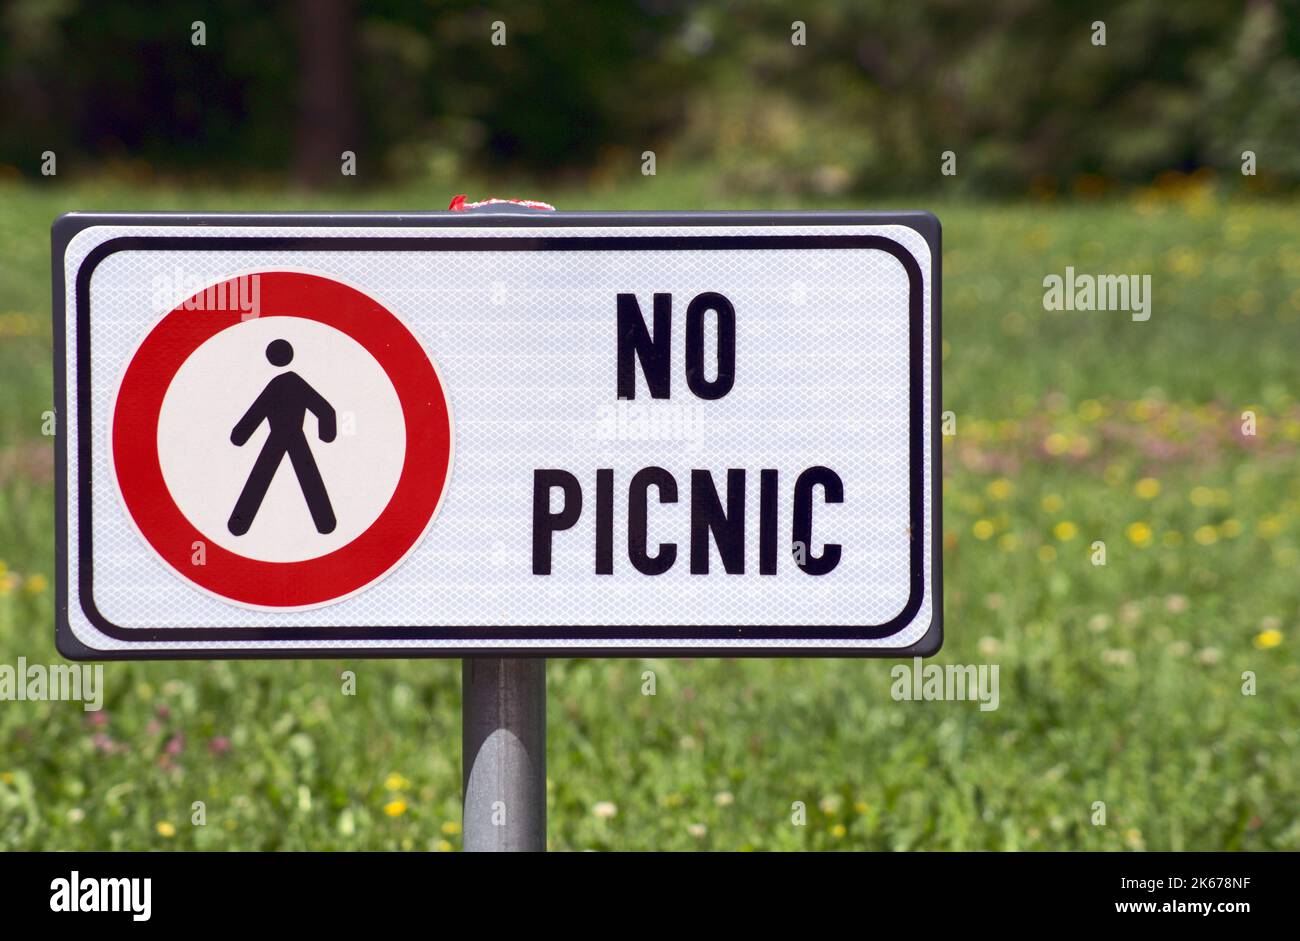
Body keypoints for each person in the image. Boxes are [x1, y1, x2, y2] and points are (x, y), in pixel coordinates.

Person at [227, 339, 337, 535]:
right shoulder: (293, 382)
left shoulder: (278, 384)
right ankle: (326, 524)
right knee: (306, 477)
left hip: (282, 437)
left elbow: (256, 412)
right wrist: (326, 434)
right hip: (292, 437)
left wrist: (240, 436)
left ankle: (238, 525)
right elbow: (325, 410)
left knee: (262, 476)